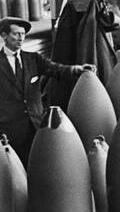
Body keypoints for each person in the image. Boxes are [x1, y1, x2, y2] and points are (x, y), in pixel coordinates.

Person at [0, 16, 93, 165]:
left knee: (39, 167)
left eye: (23, 34)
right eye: (16, 34)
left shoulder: (33, 59)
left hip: (36, 126)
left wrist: (77, 70)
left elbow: (56, 69)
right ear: (4, 36)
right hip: (10, 131)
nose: (20, 38)